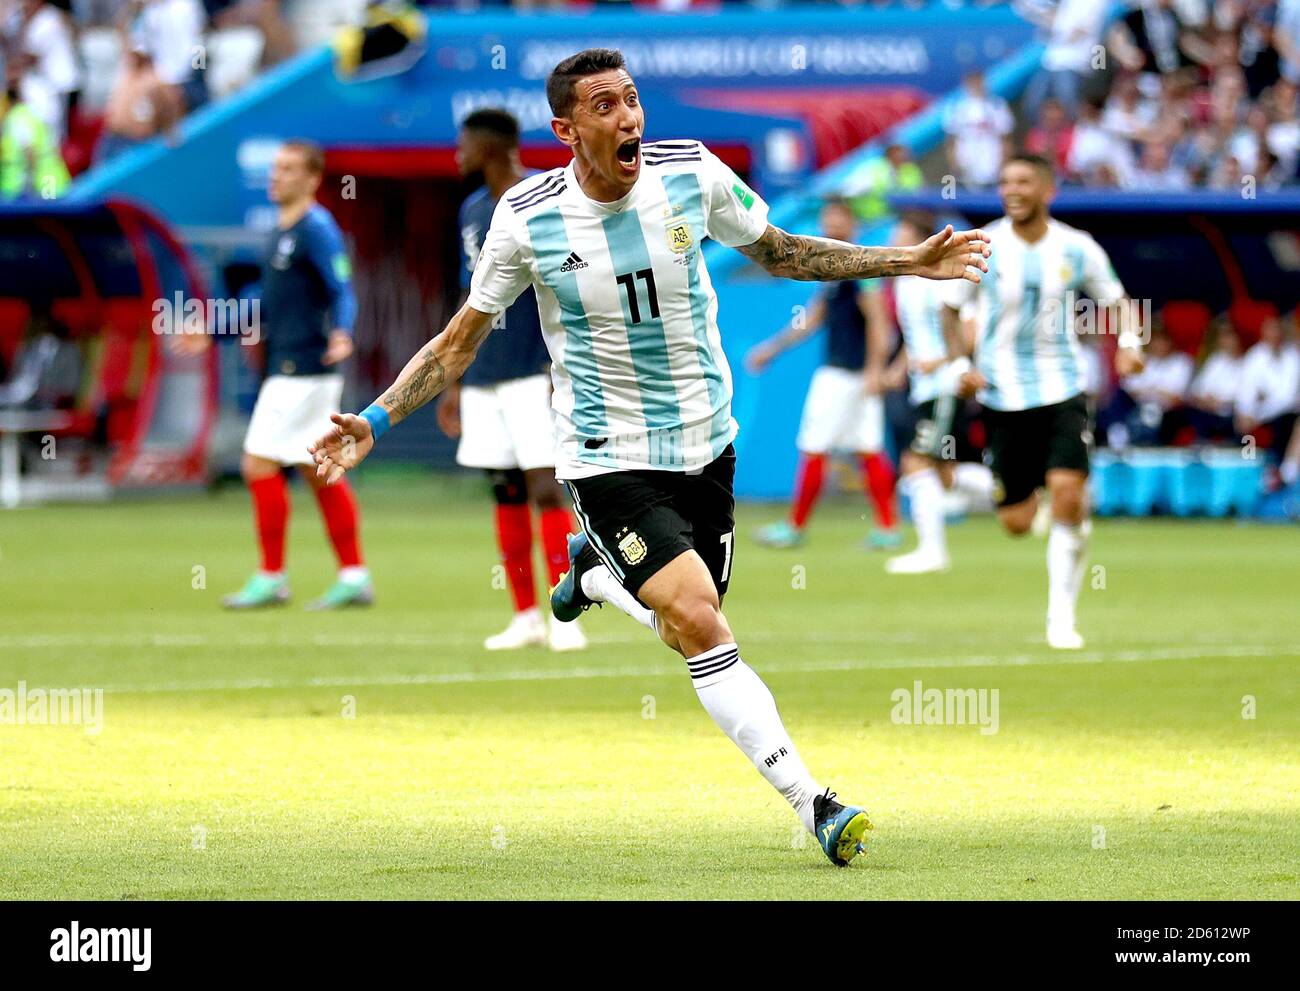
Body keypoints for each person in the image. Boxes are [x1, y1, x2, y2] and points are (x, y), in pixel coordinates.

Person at [308, 48, 991, 868]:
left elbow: (779, 252)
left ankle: (595, 577)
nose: (628, 117)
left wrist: (905, 260)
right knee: (701, 618)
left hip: (707, 443)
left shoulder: (692, 174)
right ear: (566, 130)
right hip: (604, 454)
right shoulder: (526, 218)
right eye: (605, 106)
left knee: (685, 625)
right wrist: (376, 419)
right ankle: (816, 801)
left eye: (632, 100)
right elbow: (459, 342)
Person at [946, 153, 1144, 650]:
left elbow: (1116, 300)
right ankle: (1032, 507)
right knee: (1015, 522)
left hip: (1064, 387)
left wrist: (1129, 345)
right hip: (1003, 393)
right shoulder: (984, 245)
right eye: (1005, 181)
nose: (1012, 189)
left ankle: (1061, 618)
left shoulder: (1078, 247)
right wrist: (958, 366)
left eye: (1023, 181)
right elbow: (951, 310)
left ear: (1048, 190)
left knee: (1067, 492)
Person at [179, 139, 371, 610]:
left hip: (304, 369)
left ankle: (272, 576)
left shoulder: (317, 228)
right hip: (289, 367)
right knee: (317, 470)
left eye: (287, 169)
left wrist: (343, 331)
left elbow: (342, 287)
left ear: (311, 178)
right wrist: (217, 330)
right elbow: (264, 304)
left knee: (258, 464)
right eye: (274, 168)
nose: (275, 175)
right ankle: (352, 575)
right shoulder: (278, 232)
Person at [439, 108, 586, 652]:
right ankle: (524, 616)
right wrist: (454, 377)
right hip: (484, 374)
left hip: (534, 370)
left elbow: (574, 283)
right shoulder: (473, 211)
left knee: (545, 488)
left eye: (464, 144)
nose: (458, 154)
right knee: (503, 490)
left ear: (491, 148)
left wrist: (562, 365)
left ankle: (564, 616)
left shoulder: (544, 200)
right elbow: (470, 297)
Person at [745, 199, 899, 551]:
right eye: (826, 219)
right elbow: (814, 317)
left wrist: (877, 369)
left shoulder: (860, 268)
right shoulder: (837, 270)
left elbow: (878, 320)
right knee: (868, 448)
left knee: (815, 445)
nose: (829, 225)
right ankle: (888, 528)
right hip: (854, 374)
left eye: (837, 218)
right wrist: (774, 348)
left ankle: (794, 527)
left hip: (845, 374)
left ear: (852, 224)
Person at [883, 212, 996, 575]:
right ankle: (1024, 487)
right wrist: (901, 368)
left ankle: (932, 552)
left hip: (946, 382)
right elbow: (915, 336)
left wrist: (942, 360)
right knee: (943, 474)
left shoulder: (939, 278)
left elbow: (971, 327)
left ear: (920, 240)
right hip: (923, 386)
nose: (892, 241)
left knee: (916, 464)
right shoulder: (904, 281)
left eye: (900, 234)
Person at [1234, 314, 1300, 466]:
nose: (1274, 334)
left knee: (1284, 422)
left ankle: (1280, 471)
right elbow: (1246, 391)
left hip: (1283, 414)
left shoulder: (1293, 356)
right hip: (1257, 414)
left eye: (1277, 330)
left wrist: (1258, 414)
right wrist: (1246, 413)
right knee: (1242, 428)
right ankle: (1248, 470)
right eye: (1270, 330)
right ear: (1263, 332)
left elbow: (1286, 398)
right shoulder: (1254, 356)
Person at [943, 69, 1014, 191]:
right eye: (972, 81)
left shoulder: (997, 105)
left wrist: (1004, 164)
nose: (976, 84)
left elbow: (1006, 138)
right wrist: (954, 164)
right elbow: (950, 141)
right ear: (966, 83)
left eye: (979, 81)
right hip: (966, 166)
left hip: (992, 166)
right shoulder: (956, 107)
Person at [0, 77, 69, 200]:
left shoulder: (17, 118)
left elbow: (30, 151)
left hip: (44, 182)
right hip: (51, 177)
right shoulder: (32, 114)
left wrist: (27, 184)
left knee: (48, 215)